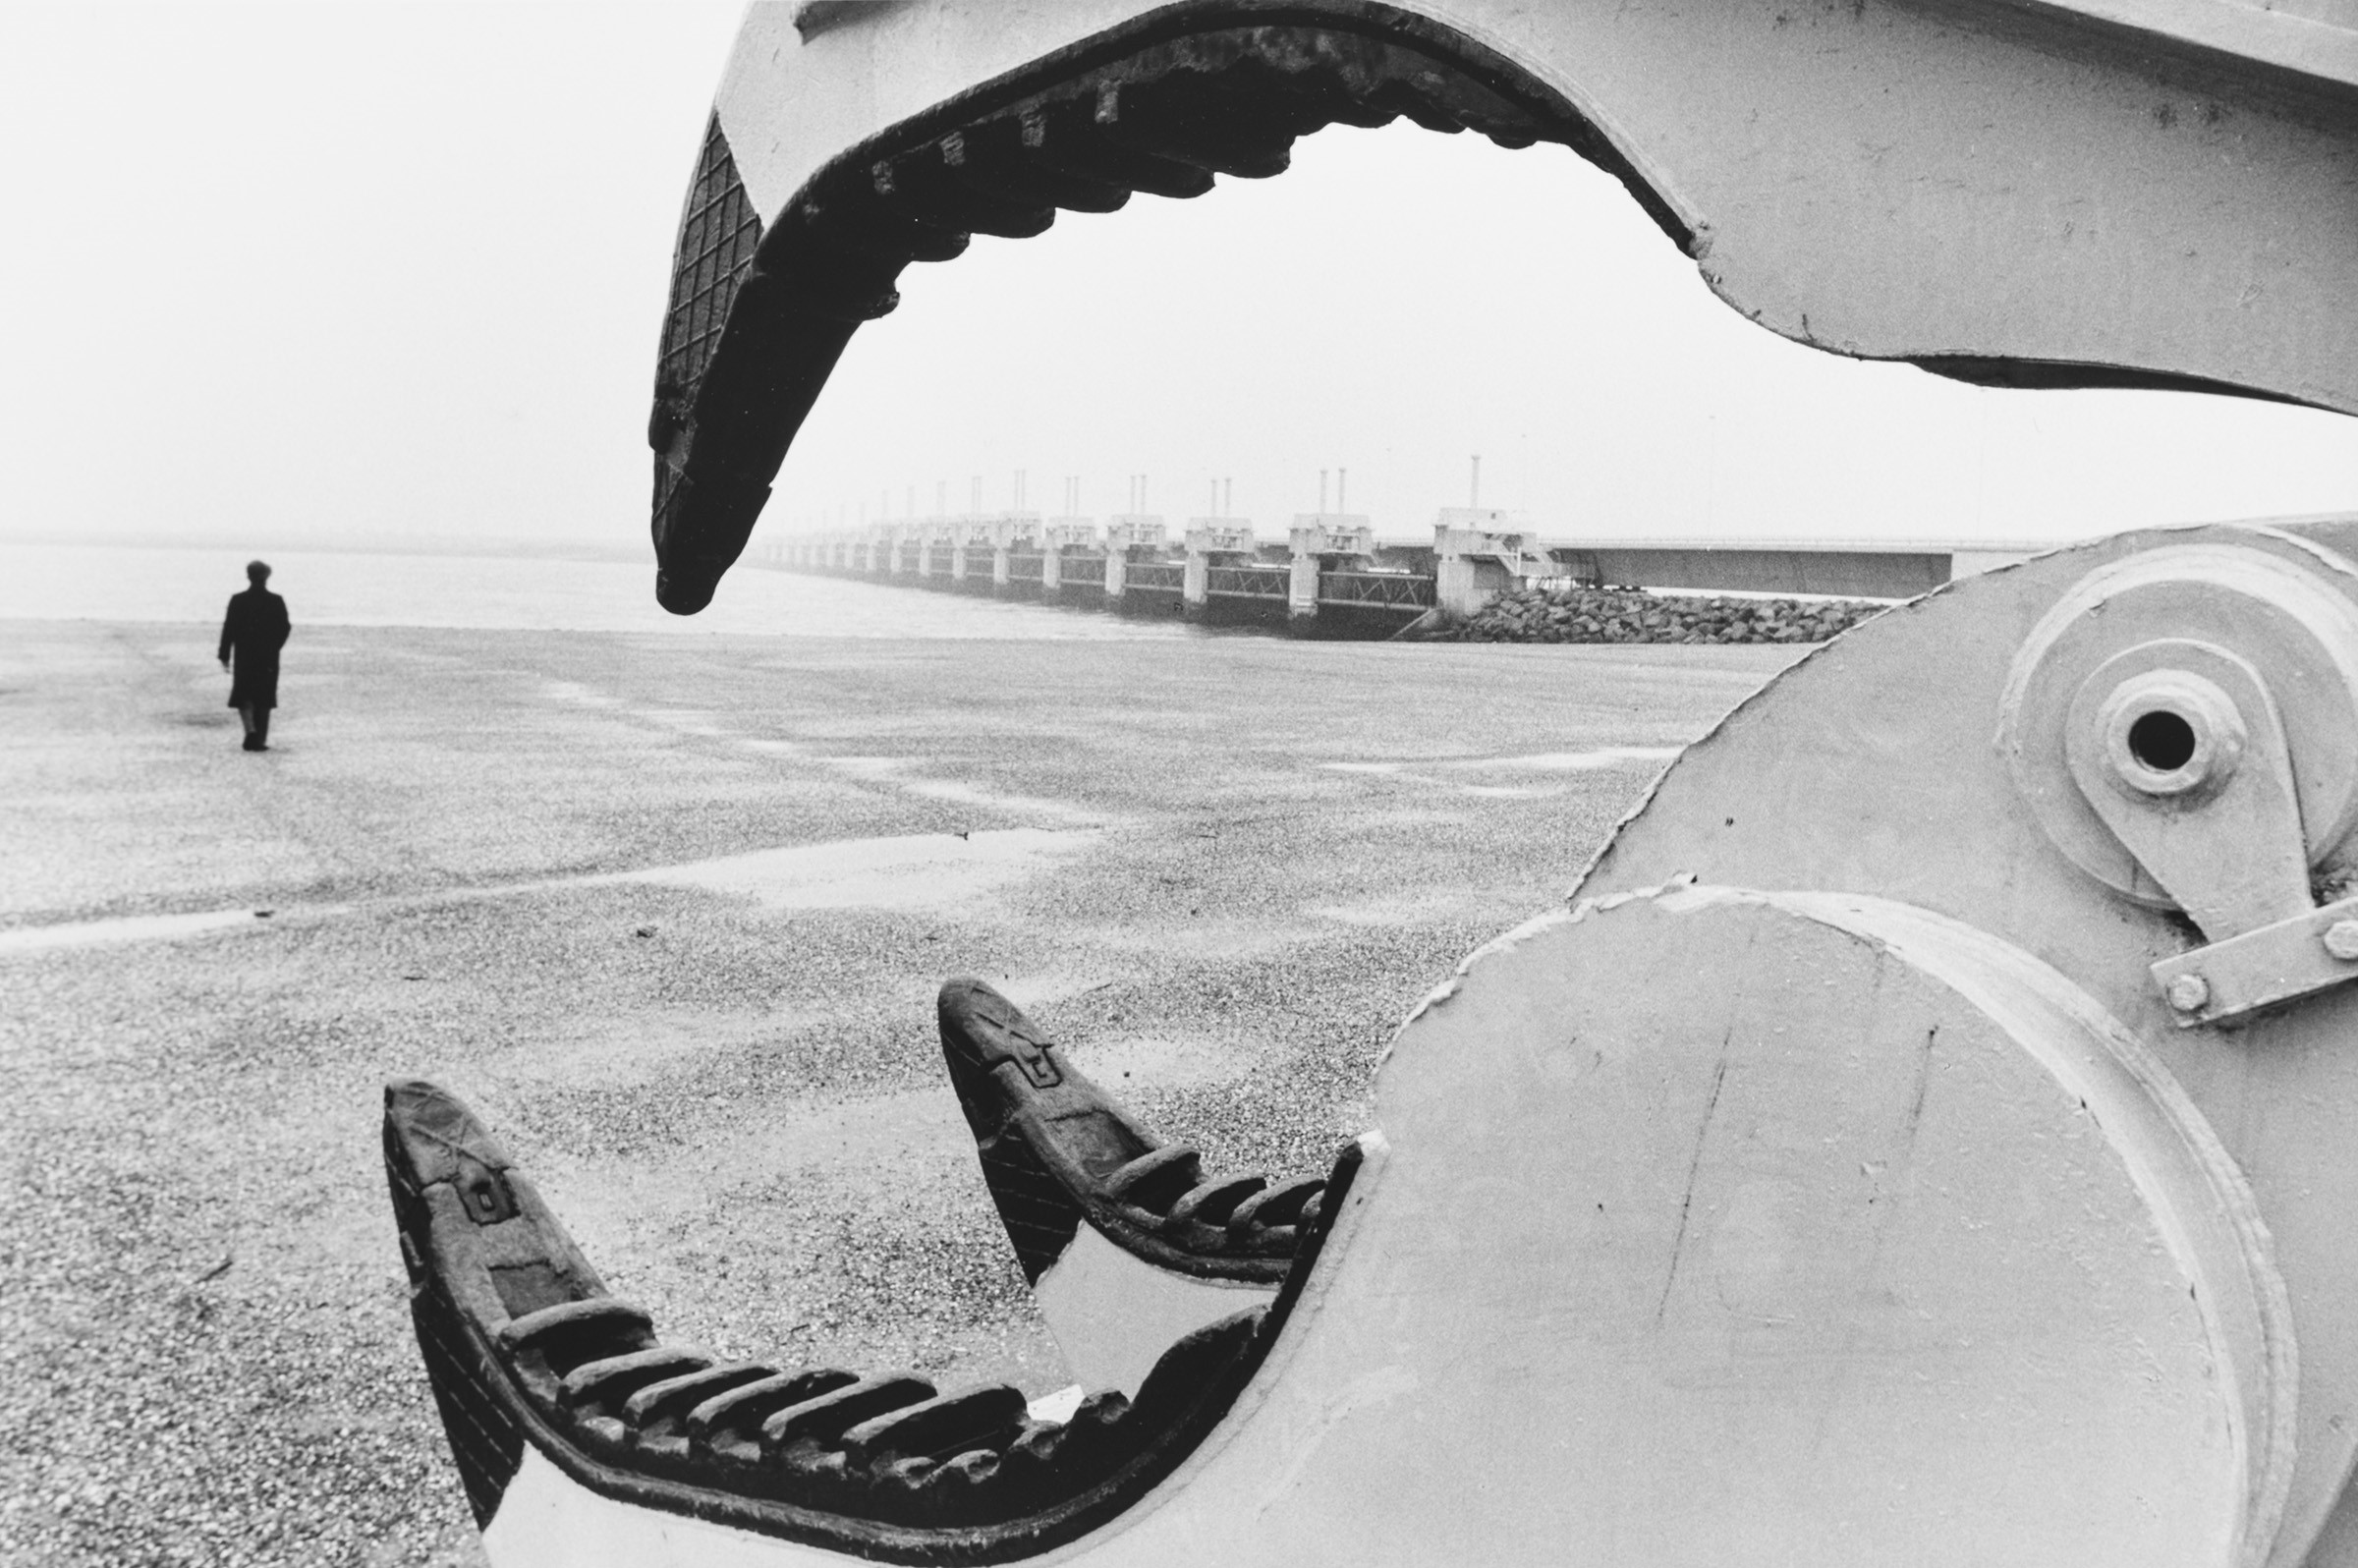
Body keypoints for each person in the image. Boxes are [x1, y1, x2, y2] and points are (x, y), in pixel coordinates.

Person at [219, 560, 291, 752]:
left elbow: (229, 628)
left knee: (244, 693)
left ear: (248, 575)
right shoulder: (275, 600)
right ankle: (260, 739)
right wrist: (275, 646)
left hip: (244, 652)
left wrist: (224, 654)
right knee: (265, 696)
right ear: (267, 576)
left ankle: (250, 730)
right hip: (267, 654)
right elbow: (284, 627)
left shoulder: (238, 599)